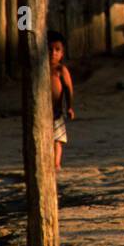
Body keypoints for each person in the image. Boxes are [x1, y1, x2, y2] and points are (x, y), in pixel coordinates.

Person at [48, 30, 75, 172]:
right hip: (41, 113)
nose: (53, 53)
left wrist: (70, 106)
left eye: (57, 50)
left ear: (62, 53)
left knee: (57, 139)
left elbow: (68, 89)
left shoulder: (60, 70)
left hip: (56, 112)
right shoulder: (39, 69)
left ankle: (56, 164)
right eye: (50, 49)